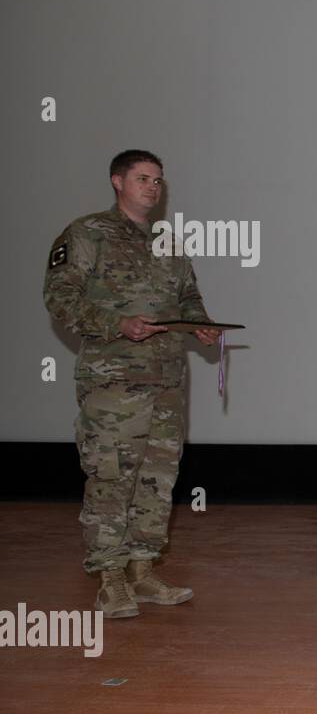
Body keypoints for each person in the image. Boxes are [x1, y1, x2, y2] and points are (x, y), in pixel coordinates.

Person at [44, 150, 218, 619]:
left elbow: (188, 298)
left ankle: (143, 572)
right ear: (117, 181)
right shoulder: (86, 234)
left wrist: (201, 325)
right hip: (113, 382)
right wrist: (117, 323)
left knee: (158, 480)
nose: (152, 188)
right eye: (143, 179)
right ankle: (110, 580)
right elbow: (59, 297)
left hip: (165, 380)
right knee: (110, 478)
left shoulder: (168, 243)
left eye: (158, 180)